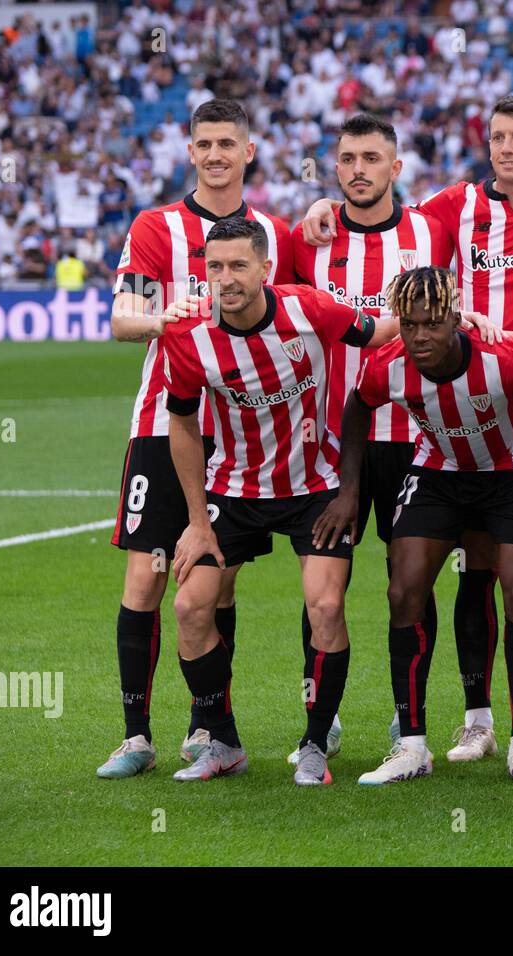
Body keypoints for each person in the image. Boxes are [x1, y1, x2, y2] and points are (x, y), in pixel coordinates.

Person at [312, 267, 513, 785]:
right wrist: (349, 491)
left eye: (433, 324)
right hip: (440, 474)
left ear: (456, 319)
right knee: (403, 591)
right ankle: (412, 747)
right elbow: (355, 409)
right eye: (410, 324)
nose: (420, 336)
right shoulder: (387, 365)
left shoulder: (503, 360)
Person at [162, 216, 397, 786]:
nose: (226, 278)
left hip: (315, 487)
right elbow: (183, 427)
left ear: (265, 268)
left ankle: (315, 744)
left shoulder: (309, 308)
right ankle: (221, 740)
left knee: (325, 607)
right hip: (232, 490)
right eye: (214, 267)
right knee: (190, 608)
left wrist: (447, 317)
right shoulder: (187, 337)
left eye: (238, 265)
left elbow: (379, 333)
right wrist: (197, 522)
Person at [97, 99, 293, 779]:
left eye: (226, 144)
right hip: (161, 424)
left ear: (250, 151)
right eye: (203, 144)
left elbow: (294, 311)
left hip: (241, 433)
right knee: (147, 577)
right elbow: (123, 316)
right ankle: (134, 736)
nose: (214, 155)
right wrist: (160, 321)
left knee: (219, 584)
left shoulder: (275, 233)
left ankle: (211, 727)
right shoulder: (157, 227)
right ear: (190, 153)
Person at [287, 112, 454, 767]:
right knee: (323, 589)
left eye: (371, 158)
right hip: (332, 441)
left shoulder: (430, 232)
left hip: (418, 440)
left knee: (409, 582)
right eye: (348, 158)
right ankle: (319, 720)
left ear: (395, 167)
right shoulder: (309, 239)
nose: (359, 169)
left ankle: (405, 716)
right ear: (335, 168)